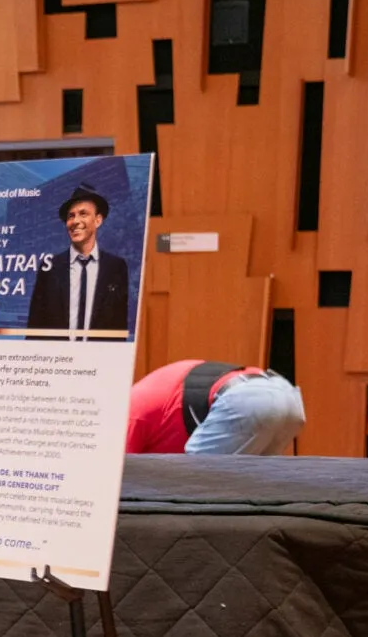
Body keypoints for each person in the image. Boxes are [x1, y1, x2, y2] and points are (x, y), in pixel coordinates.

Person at [127, 358, 305, 455]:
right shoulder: (148, 399)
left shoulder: (127, 412)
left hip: (245, 400)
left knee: (194, 486)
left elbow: (116, 479)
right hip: (285, 395)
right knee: (250, 491)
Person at [24, 186, 132, 334]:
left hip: (98, 356)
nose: (75, 221)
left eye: (83, 214)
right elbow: (34, 327)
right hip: (57, 356)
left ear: (98, 220)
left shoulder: (116, 267)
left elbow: (119, 325)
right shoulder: (50, 267)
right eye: (71, 216)